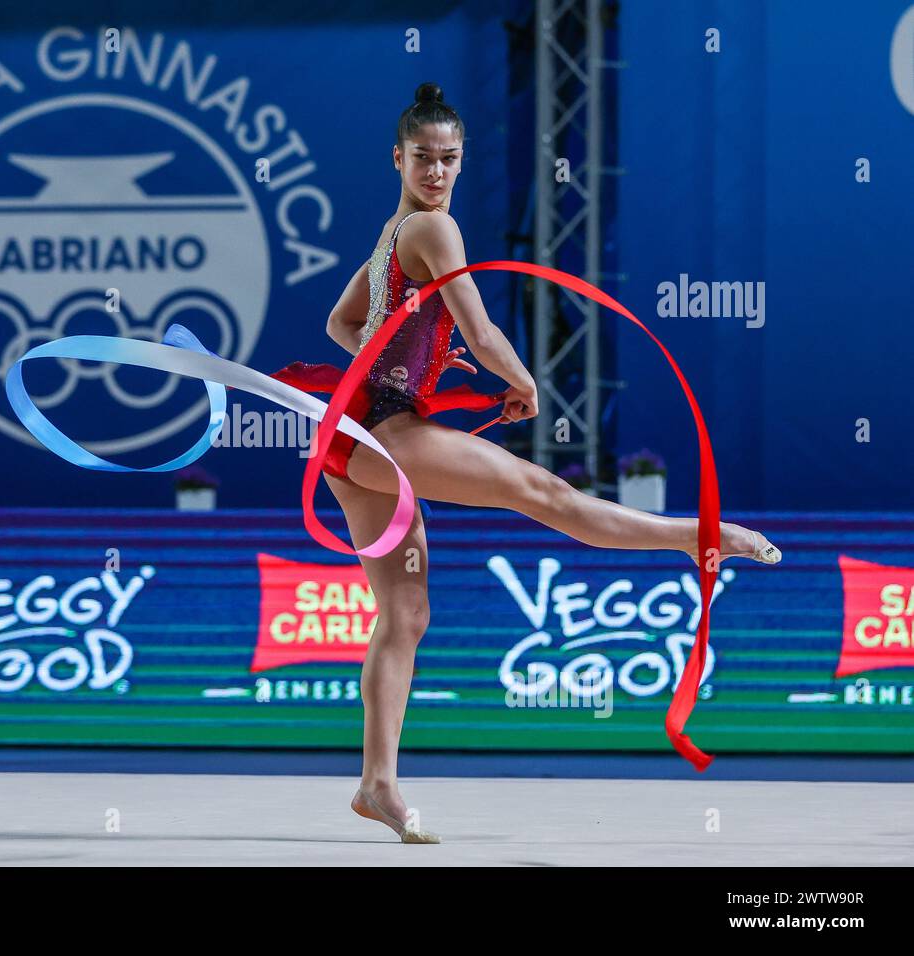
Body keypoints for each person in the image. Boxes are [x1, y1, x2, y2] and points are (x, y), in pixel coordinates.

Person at [275, 82, 781, 844]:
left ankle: (377, 784)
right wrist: (519, 382)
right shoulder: (433, 230)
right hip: (378, 429)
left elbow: (343, 322)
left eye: (449, 159)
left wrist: (387, 371)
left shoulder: (393, 231)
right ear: (397, 157)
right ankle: (702, 538)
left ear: (460, 158)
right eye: (423, 158)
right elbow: (478, 332)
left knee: (406, 614)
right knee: (542, 490)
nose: (437, 172)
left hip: (361, 431)